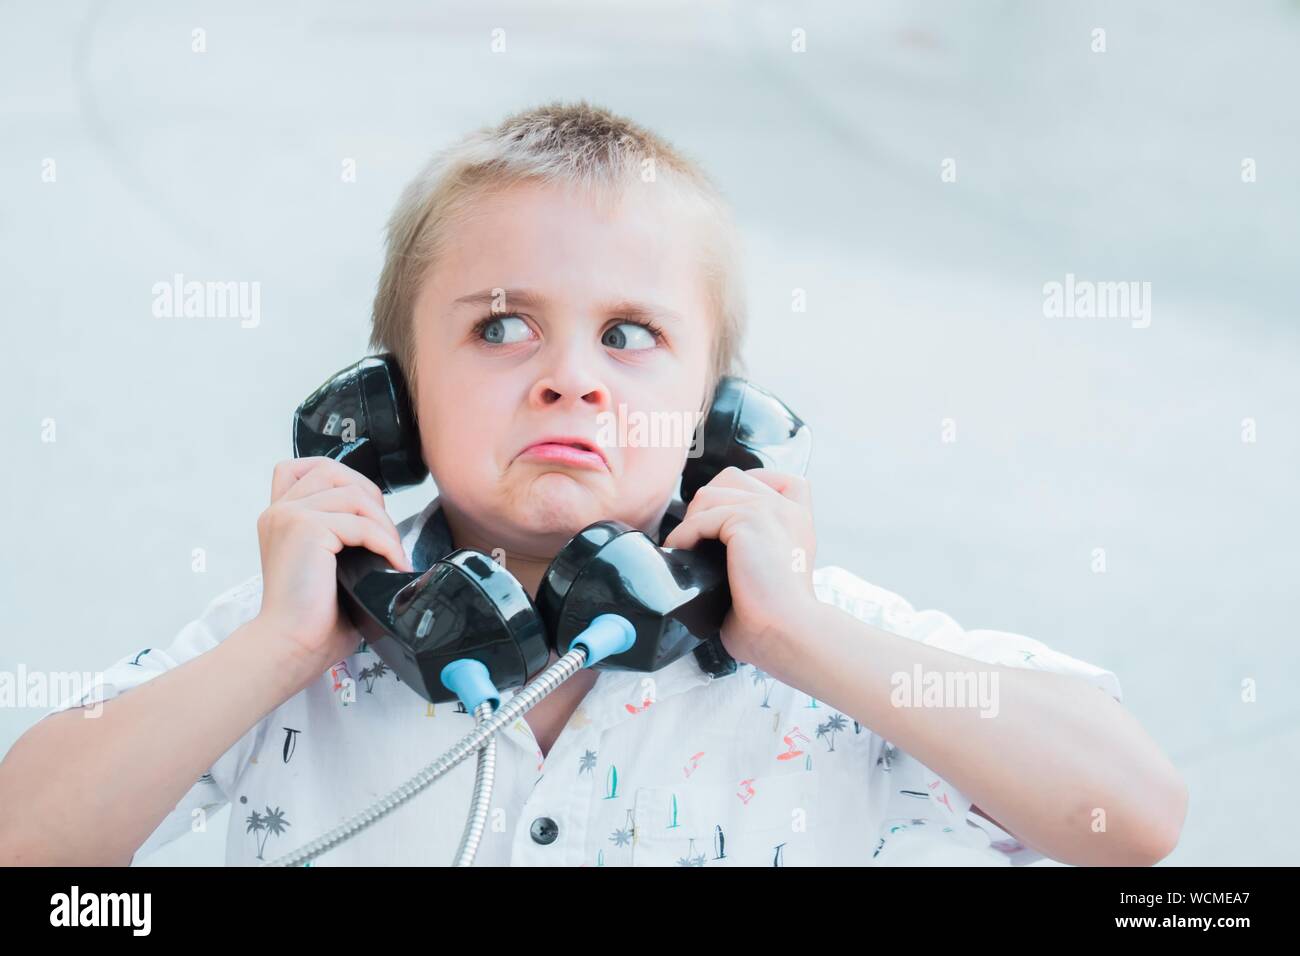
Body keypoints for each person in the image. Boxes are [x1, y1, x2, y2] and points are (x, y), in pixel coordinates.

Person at [0, 100, 1186, 866]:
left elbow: (1130, 814)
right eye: (502, 326)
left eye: (629, 334)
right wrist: (271, 652)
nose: (571, 378)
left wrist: (808, 635)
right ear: (390, 400)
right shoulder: (287, 641)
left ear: (719, 418)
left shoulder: (813, 650)